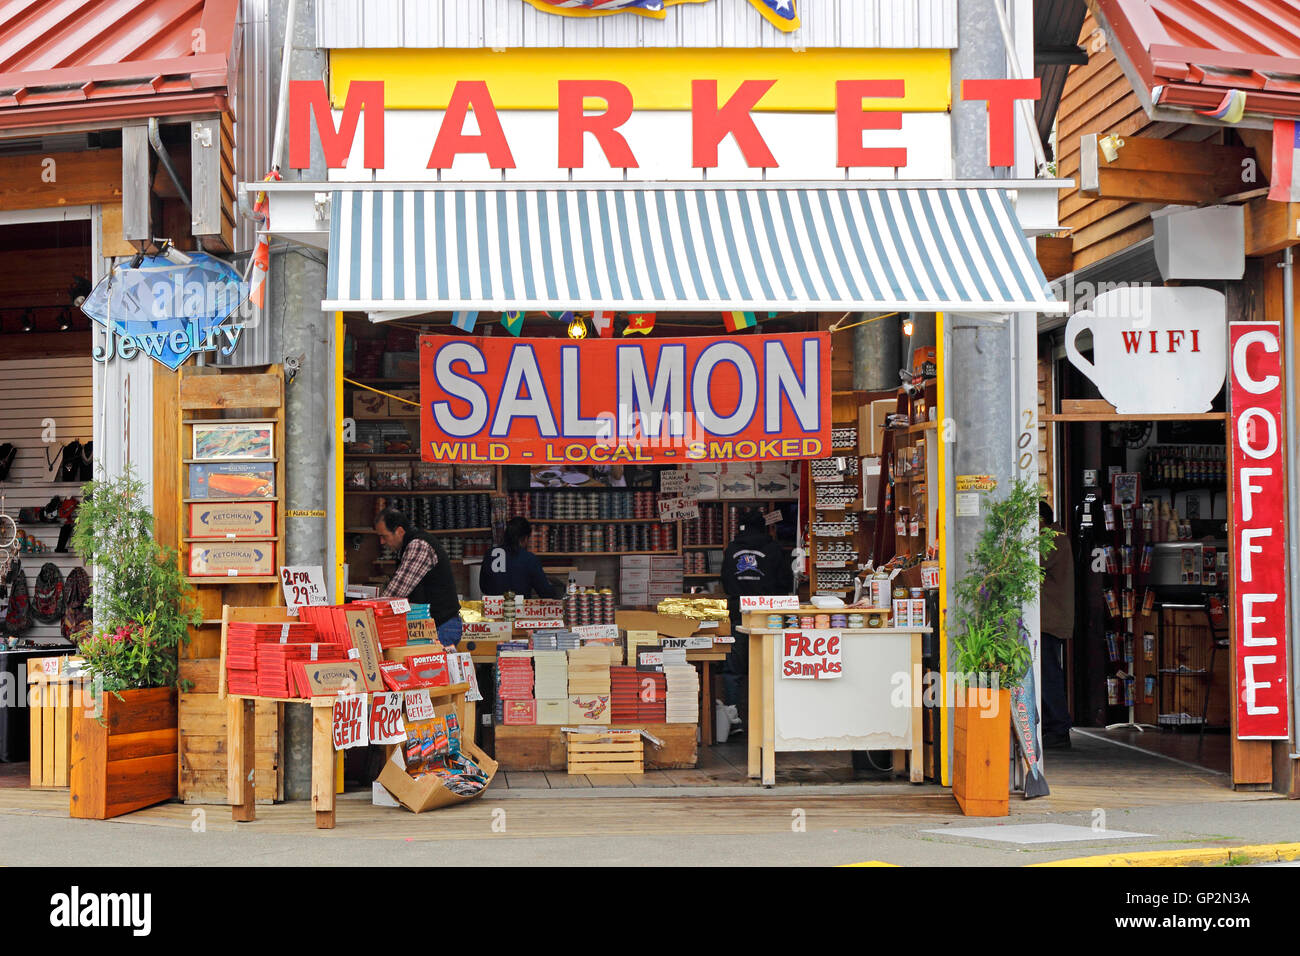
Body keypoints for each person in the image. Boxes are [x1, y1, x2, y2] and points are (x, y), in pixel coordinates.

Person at [720, 509, 791, 711]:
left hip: (738, 614)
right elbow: (784, 582)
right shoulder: (774, 549)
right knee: (768, 668)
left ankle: (733, 716)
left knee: (733, 670)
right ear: (764, 527)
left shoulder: (732, 549)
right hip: (768, 617)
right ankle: (768, 714)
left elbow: (725, 581)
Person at [375, 508, 463, 647]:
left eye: (384, 536)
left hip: (440, 627)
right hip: (432, 625)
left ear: (399, 531)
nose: (381, 542)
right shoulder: (407, 545)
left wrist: (373, 611)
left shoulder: (419, 545)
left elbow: (397, 591)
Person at [1039, 500, 1075, 749]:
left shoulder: (1054, 540)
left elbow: (1032, 561)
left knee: (1049, 673)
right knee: (1047, 673)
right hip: (1046, 618)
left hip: (1049, 620)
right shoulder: (1055, 538)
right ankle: (1053, 727)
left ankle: (1059, 728)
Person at [479, 516, 555, 598]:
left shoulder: (490, 554)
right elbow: (545, 593)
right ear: (525, 538)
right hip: (520, 605)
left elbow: (484, 587)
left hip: (494, 605)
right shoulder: (530, 559)